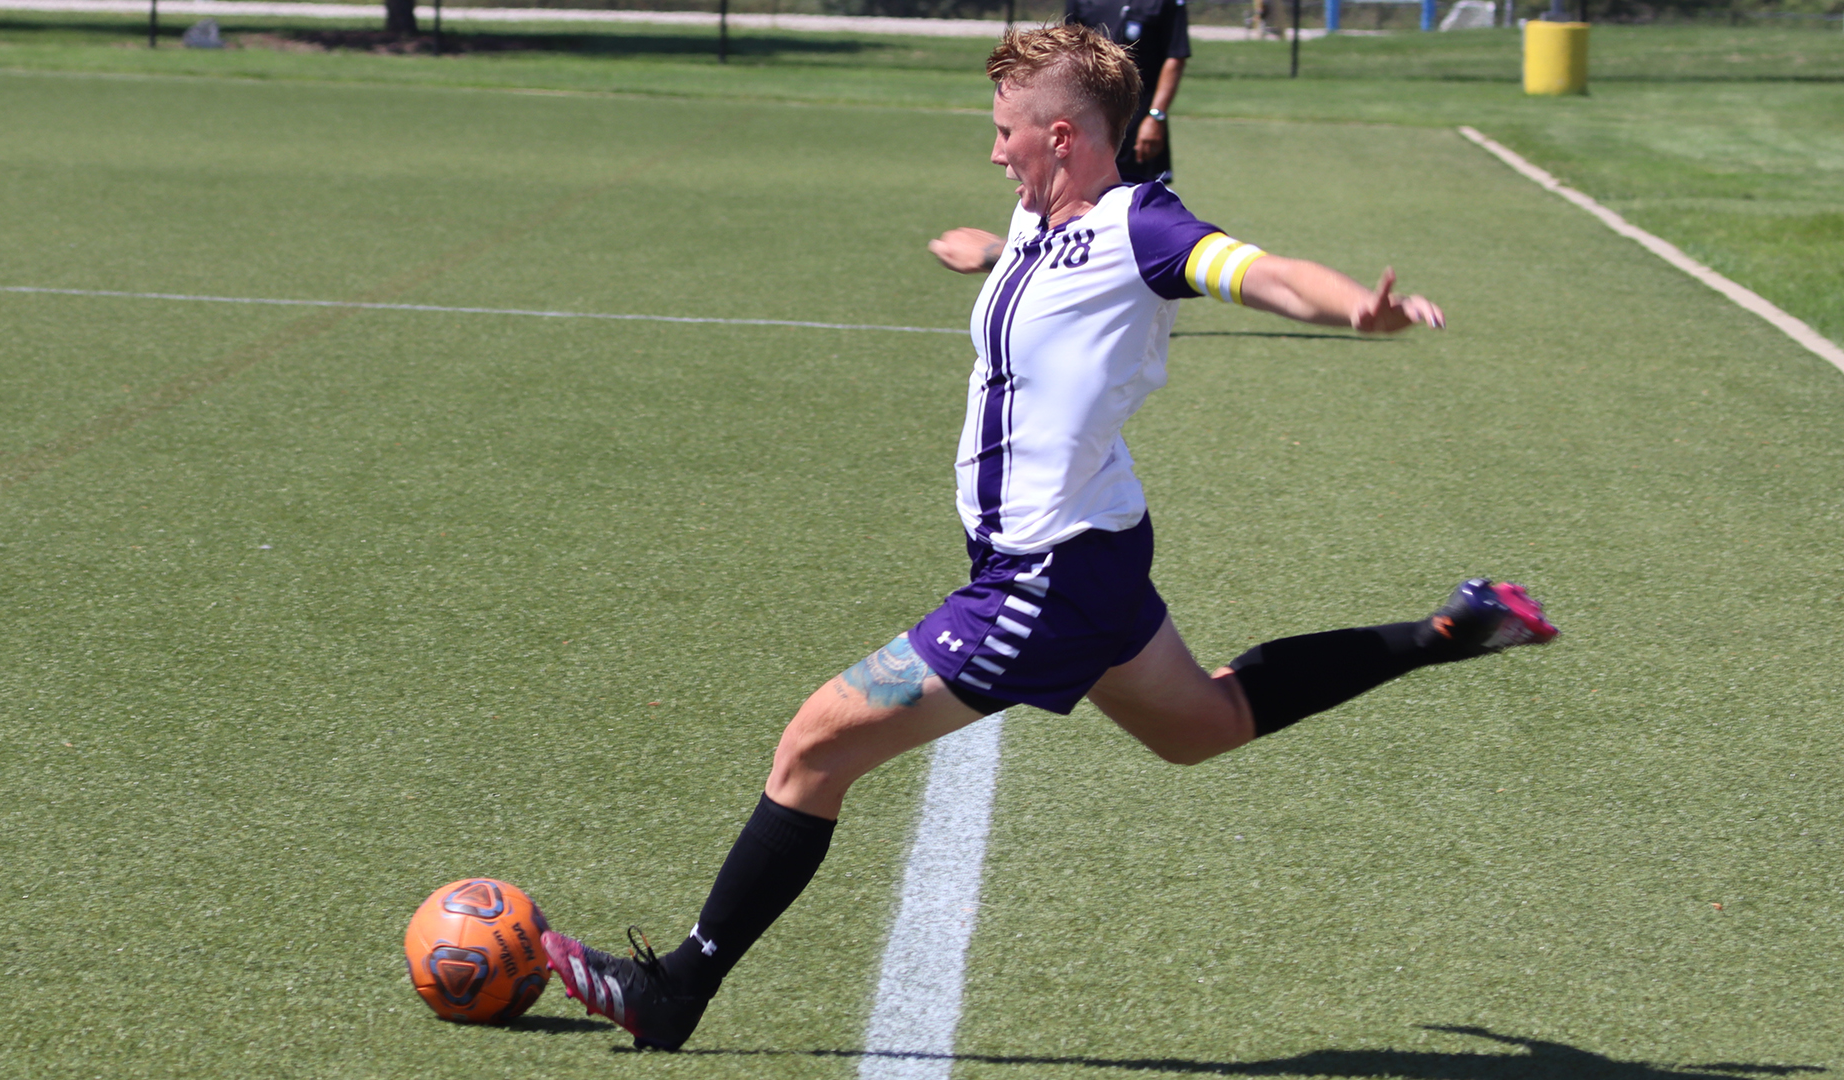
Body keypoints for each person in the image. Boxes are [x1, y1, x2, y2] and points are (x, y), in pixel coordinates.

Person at [541, 23, 1557, 1052]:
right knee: (1202, 724)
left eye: (1004, 132)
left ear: (1063, 136)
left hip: (1048, 578)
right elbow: (1045, 272)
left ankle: (677, 990)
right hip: (1096, 554)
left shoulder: (1140, 227)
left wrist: (1354, 311)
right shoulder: (1038, 216)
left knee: (813, 747)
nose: (994, 151)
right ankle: (1452, 628)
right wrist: (988, 254)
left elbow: (1265, 272)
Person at [1065, 0, 1190, 182]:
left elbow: (1175, 56)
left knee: (1139, 197)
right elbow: (1067, 49)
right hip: (1088, 119)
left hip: (1139, 121)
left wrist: (1156, 116)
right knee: (1084, 194)